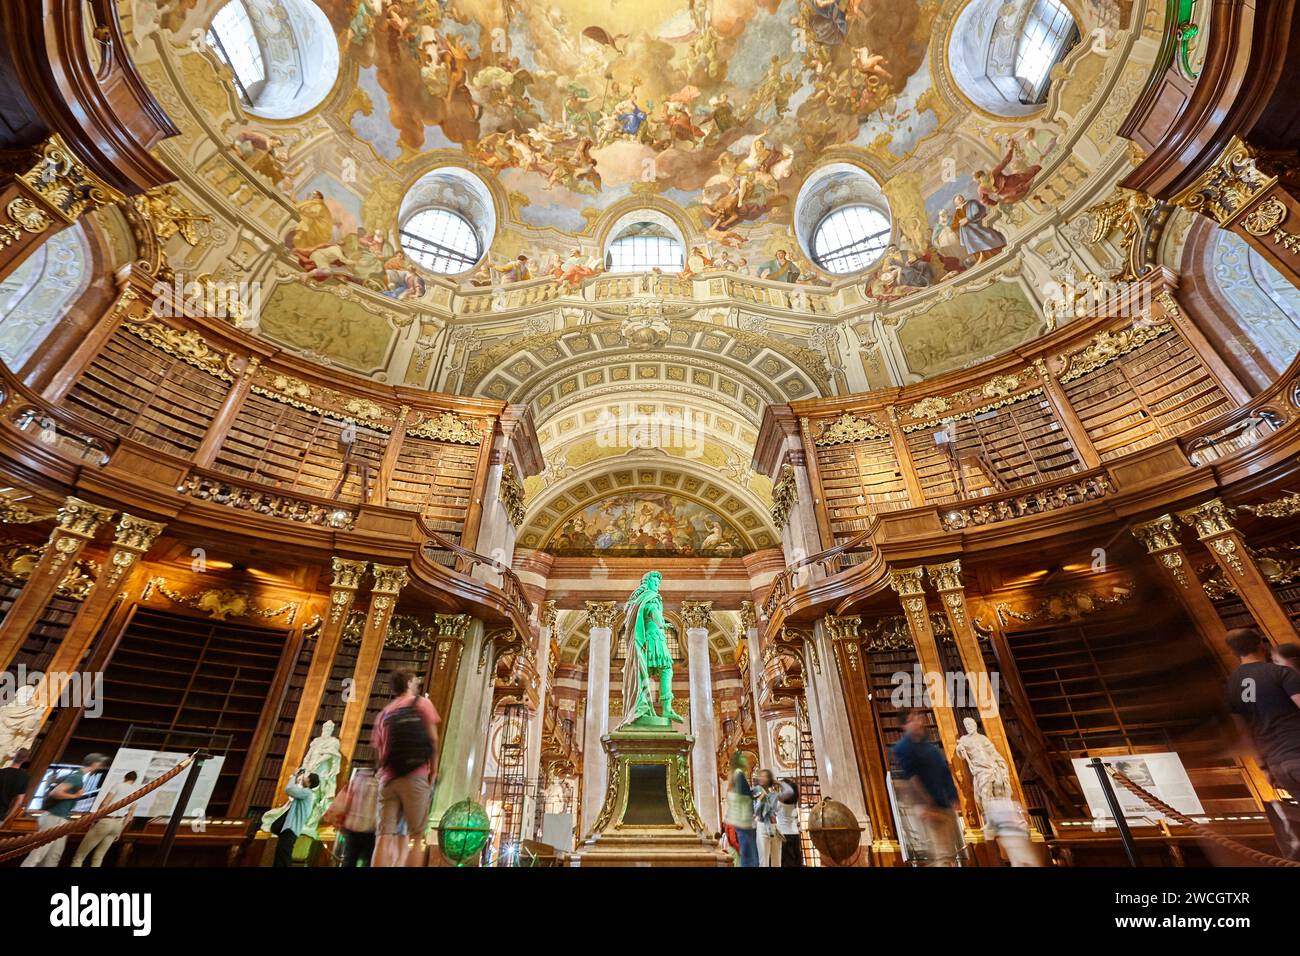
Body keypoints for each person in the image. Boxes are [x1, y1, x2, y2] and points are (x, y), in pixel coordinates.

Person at [371, 669, 440, 867]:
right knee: (416, 837)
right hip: (415, 776)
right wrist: (433, 772)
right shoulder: (422, 704)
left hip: (388, 779)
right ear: (409, 682)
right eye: (415, 681)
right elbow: (433, 741)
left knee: (383, 836)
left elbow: (379, 751)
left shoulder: (384, 713)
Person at [1225, 627, 1300, 794]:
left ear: (1233, 652)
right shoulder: (1280, 673)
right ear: (1262, 645)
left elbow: (1243, 732)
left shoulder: (1232, 686)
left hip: (1277, 765)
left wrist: (1264, 768)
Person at [891, 710, 962, 866]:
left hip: (944, 805)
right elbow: (912, 778)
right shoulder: (903, 748)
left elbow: (944, 773)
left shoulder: (930, 748)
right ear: (904, 726)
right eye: (912, 720)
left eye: (918, 718)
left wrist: (953, 797)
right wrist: (925, 804)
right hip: (928, 806)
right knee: (943, 855)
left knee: (948, 854)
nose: (918, 722)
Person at [21, 752, 108, 867]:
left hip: (61, 818)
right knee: (38, 854)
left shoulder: (79, 777)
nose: (101, 766)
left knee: (54, 856)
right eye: (100, 763)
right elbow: (55, 793)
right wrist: (75, 796)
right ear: (94, 763)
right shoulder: (76, 777)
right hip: (54, 817)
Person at [70, 770, 137, 867]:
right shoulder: (136, 791)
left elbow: (105, 803)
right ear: (134, 780)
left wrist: (95, 819)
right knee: (99, 856)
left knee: (79, 856)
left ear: (125, 778)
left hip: (107, 820)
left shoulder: (118, 785)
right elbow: (130, 814)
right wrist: (120, 831)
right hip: (118, 823)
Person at [724, 751, 758, 867]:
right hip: (744, 821)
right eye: (751, 762)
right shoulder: (738, 774)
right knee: (750, 858)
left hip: (741, 821)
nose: (751, 765)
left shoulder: (734, 775)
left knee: (749, 856)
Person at [752, 769, 781, 866]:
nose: (761, 778)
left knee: (777, 861)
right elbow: (755, 812)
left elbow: (776, 810)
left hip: (775, 826)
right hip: (762, 826)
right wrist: (760, 800)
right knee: (763, 861)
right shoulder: (755, 791)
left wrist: (777, 784)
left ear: (769, 779)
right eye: (760, 776)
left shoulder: (774, 794)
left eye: (764, 776)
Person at [774, 776, 803, 866]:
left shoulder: (779, 803)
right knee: (796, 861)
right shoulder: (792, 802)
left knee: (787, 862)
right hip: (795, 834)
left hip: (784, 836)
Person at [0, 748, 30, 823]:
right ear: (25, 760)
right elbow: (19, 801)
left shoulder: (1, 772)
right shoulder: (24, 777)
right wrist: (8, 818)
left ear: (14, 756)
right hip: (1, 814)